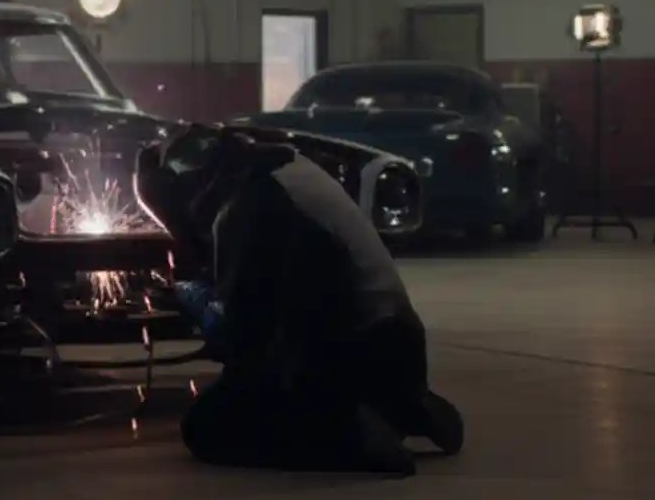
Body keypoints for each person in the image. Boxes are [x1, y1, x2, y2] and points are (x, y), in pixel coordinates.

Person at [134, 124, 464, 476]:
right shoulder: (289, 171)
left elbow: (245, 338)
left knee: (207, 427)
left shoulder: (250, 205)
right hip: (400, 351)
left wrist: (193, 298)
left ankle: (345, 434)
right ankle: (405, 405)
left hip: (350, 358)